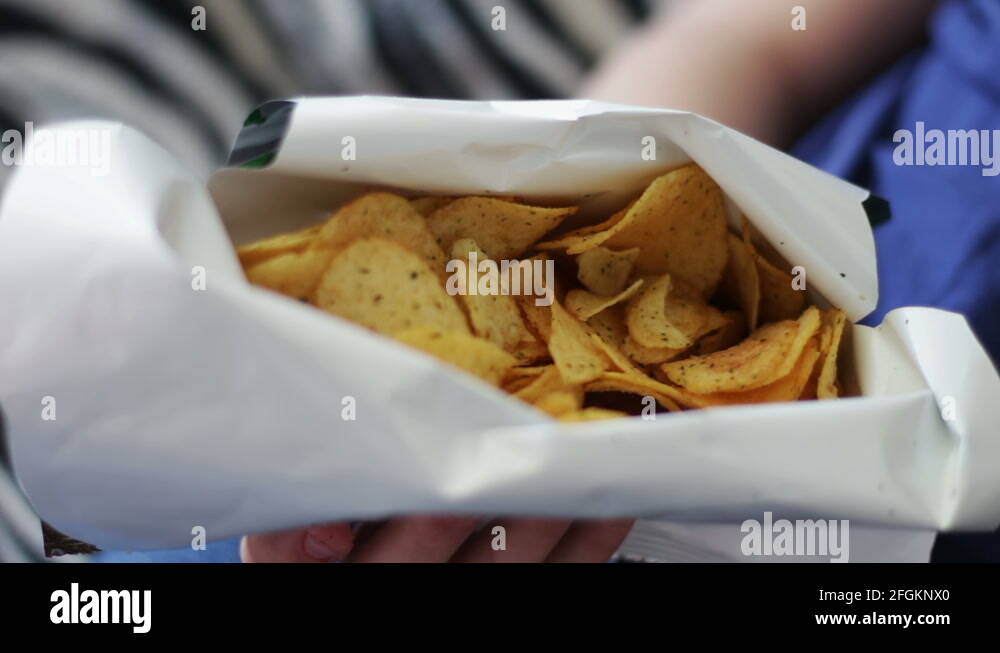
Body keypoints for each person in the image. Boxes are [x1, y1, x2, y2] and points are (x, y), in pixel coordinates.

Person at [1, 0, 996, 562]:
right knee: (136, 526)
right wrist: (552, 190)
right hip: (743, 307)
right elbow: (750, 42)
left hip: (870, 529)